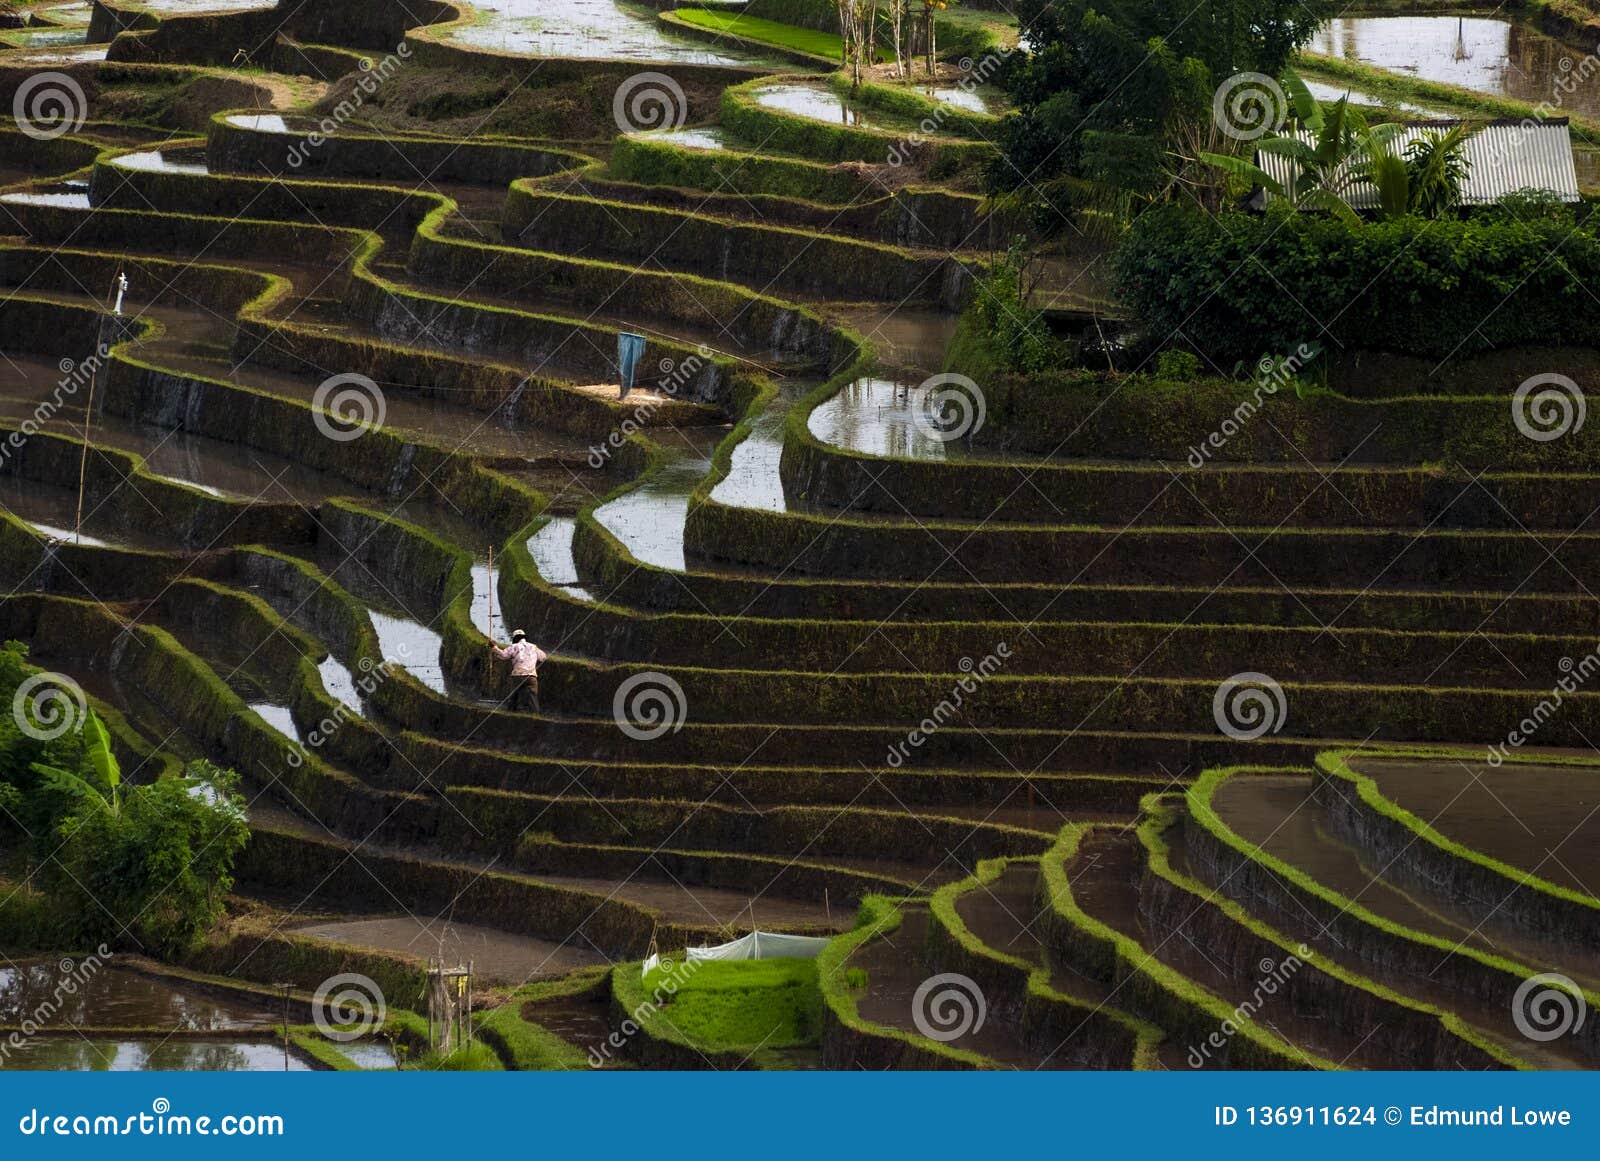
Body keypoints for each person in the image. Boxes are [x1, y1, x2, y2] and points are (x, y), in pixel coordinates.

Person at [490, 629, 548, 713]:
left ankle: (510, 712)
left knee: (514, 696)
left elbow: (504, 655)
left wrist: (494, 647)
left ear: (515, 638)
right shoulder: (533, 647)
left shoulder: (514, 647)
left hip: (518, 676)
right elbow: (543, 657)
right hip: (531, 677)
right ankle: (535, 714)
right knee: (533, 697)